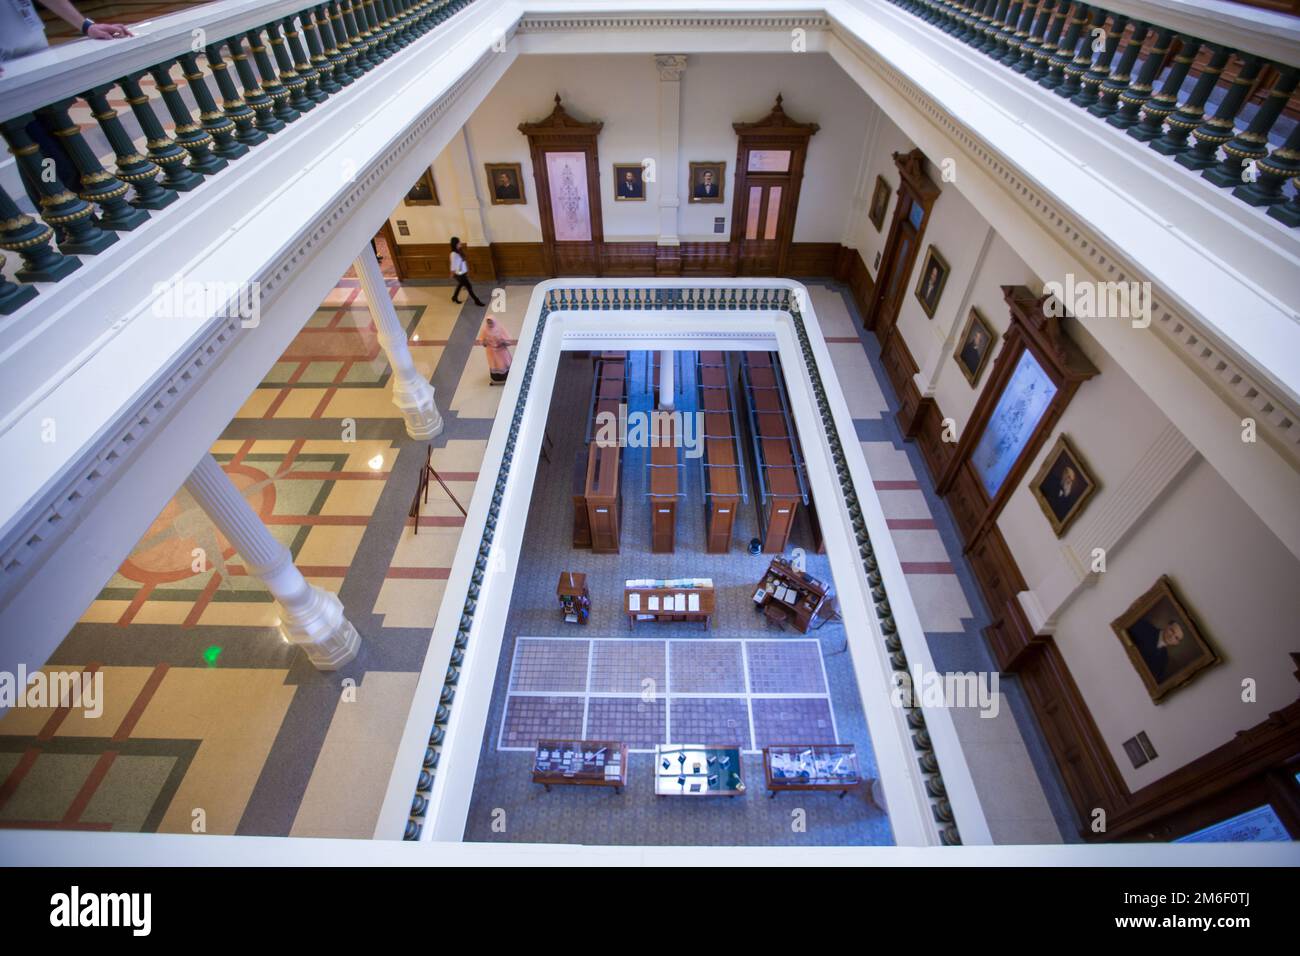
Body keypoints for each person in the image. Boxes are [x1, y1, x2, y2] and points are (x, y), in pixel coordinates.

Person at [1, 1, 134, 216]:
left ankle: (71, 209)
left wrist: (86, 25)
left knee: (56, 143)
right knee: (40, 151)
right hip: (7, 75)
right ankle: (63, 214)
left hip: (36, 56)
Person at [449, 237, 484, 306]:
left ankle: (454, 297)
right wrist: (452, 273)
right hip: (459, 274)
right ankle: (476, 301)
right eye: (459, 242)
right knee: (469, 287)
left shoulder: (459, 250)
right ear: (455, 244)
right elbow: (453, 265)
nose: (460, 243)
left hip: (463, 273)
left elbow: (463, 261)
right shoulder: (453, 254)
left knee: (461, 285)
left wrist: (466, 271)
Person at [477, 315, 512, 384]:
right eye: (488, 323)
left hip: (501, 351)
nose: (490, 324)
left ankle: (508, 377)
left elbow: (508, 339)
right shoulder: (485, 330)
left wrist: (503, 341)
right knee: (494, 364)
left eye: (491, 322)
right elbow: (481, 340)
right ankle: (497, 379)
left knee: (503, 363)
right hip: (491, 352)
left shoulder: (500, 328)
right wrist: (485, 342)